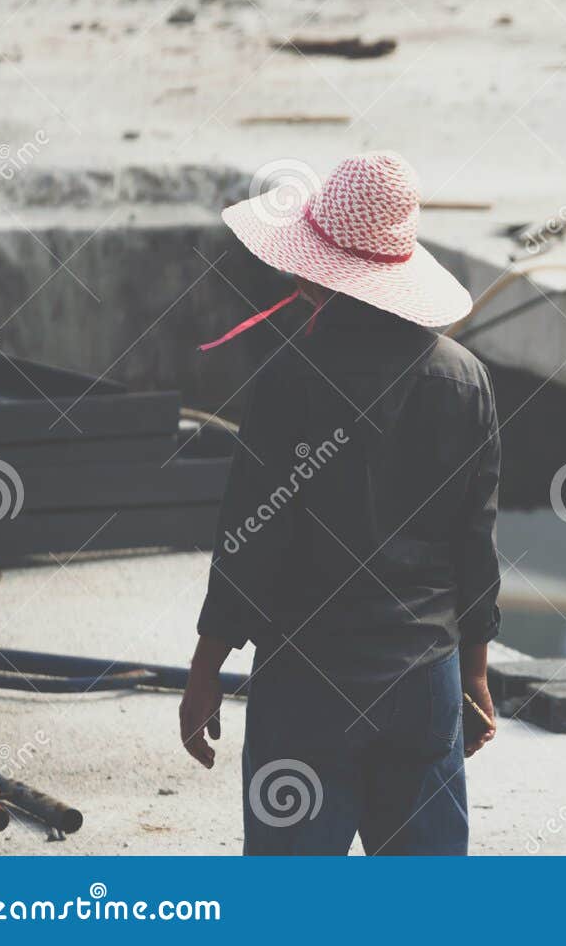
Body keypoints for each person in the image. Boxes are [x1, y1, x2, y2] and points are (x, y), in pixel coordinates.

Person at [178, 152, 501, 855]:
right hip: (424, 678)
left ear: (313, 268)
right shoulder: (466, 381)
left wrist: (206, 670)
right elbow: (474, 544)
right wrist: (473, 674)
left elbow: (249, 541)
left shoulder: (288, 378)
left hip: (306, 685)